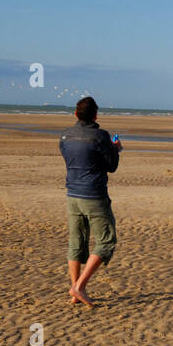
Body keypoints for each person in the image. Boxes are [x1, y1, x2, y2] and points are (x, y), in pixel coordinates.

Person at [59, 97, 121, 307]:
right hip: (93, 194)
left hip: (73, 194)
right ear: (95, 115)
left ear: (76, 114)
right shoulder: (99, 136)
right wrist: (116, 149)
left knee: (76, 241)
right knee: (106, 241)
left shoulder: (66, 136)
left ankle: (76, 290)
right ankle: (79, 286)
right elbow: (111, 166)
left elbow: (72, 159)